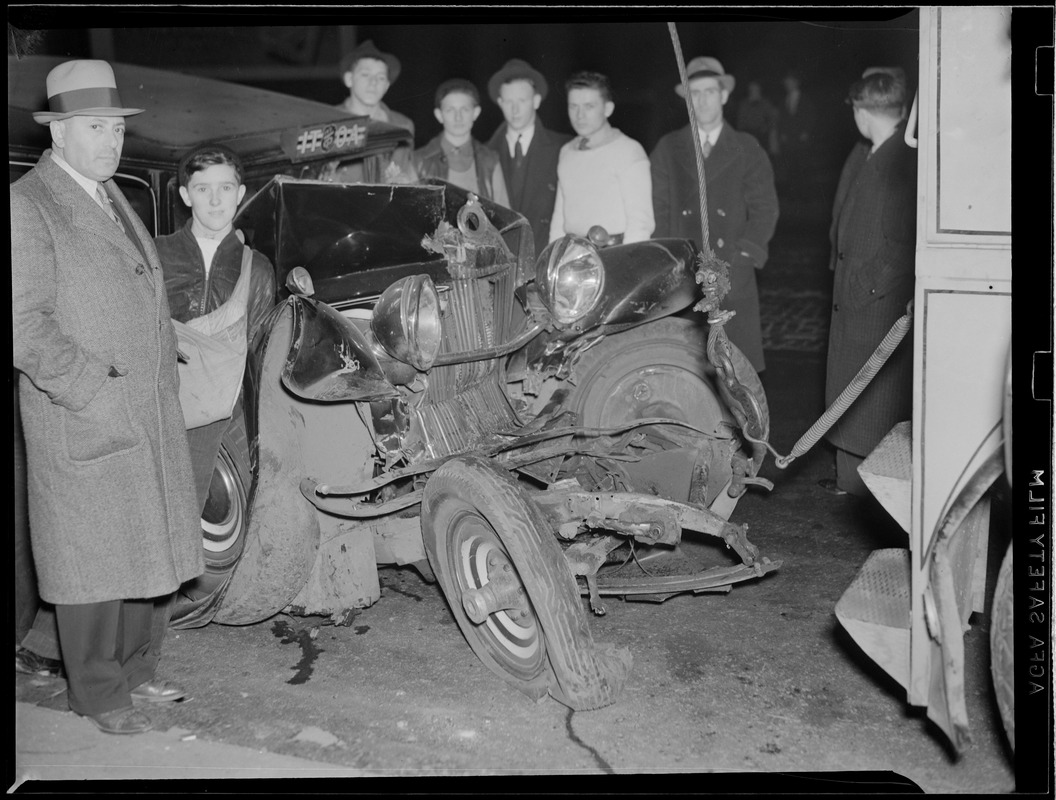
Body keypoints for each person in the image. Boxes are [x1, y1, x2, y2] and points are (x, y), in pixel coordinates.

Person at [11, 60, 203, 734]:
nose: (111, 140)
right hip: (85, 410)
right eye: (96, 127)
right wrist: (91, 385)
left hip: (140, 406)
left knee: (139, 551)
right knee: (92, 565)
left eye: (116, 127)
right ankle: (97, 696)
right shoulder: (28, 204)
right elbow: (23, 326)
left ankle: (137, 672)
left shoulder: (109, 193)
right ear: (59, 132)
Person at [154, 143, 277, 512]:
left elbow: (258, 356)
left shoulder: (256, 269)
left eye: (225, 188)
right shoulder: (156, 254)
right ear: (184, 195)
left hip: (225, 416)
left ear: (240, 194)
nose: (214, 200)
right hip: (162, 409)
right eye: (202, 188)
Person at [650, 57, 779, 372]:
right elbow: (660, 210)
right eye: (695, 93)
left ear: (724, 95)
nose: (703, 100)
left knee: (736, 371)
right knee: (687, 369)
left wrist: (744, 253)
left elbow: (765, 208)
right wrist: (670, 260)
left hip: (732, 272)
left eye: (710, 91)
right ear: (685, 99)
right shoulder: (668, 148)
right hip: (685, 276)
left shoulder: (746, 147)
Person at [821, 70, 917, 497]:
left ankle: (870, 493)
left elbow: (899, 248)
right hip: (851, 297)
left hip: (875, 305)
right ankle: (847, 480)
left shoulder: (902, 160)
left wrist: (864, 289)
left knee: (873, 398)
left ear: (863, 112)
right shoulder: (868, 151)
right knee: (849, 390)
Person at [549, 71, 654, 245]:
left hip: (614, 254)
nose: (579, 115)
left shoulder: (628, 150)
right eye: (573, 106)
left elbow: (640, 223)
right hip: (573, 257)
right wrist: (552, 260)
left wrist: (629, 266)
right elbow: (559, 217)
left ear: (608, 109)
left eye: (589, 106)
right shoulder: (567, 152)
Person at [485, 59, 571, 258]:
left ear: (536, 101)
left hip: (546, 261)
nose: (515, 110)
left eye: (522, 101)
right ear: (500, 103)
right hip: (499, 268)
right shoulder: (485, 154)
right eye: (508, 102)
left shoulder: (563, 148)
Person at [329, 39, 416, 184]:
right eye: (365, 75)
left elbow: (410, 173)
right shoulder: (328, 122)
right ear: (349, 79)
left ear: (387, 85)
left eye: (381, 77)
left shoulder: (403, 125)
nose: (373, 82)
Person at [415, 78, 509, 206]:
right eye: (450, 110)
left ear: (475, 113)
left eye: (464, 109)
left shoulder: (490, 161)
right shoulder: (419, 161)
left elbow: (504, 217)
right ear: (439, 115)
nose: (458, 117)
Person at [774, 72, 816, 196]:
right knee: (790, 167)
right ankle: (793, 193)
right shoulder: (784, 100)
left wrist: (806, 131)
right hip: (788, 140)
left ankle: (805, 193)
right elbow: (781, 119)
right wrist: (781, 133)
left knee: (802, 166)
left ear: (796, 82)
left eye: (790, 82)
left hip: (801, 138)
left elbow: (811, 116)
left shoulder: (805, 99)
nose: (787, 85)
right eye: (786, 83)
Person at [735, 80, 779, 154]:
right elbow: (740, 123)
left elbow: (773, 118)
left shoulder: (765, 103)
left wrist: (767, 128)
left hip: (762, 135)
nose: (755, 91)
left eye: (756, 89)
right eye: (752, 90)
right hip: (748, 135)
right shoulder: (744, 104)